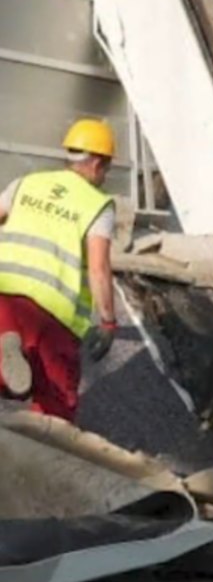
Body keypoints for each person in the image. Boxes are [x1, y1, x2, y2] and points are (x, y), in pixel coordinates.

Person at [0, 119, 119, 422]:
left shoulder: (26, 183)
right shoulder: (98, 205)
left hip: (3, 295)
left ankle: (6, 357)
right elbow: (98, 268)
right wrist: (107, 322)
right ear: (96, 163)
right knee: (56, 405)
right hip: (51, 314)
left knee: (7, 368)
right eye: (106, 167)